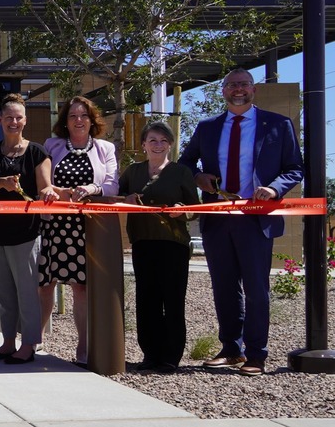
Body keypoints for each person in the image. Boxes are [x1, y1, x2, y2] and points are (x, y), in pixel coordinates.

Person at [179, 69, 303, 375]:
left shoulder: (277, 125)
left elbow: (294, 167)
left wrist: (274, 188)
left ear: (253, 90)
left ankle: (256, 354)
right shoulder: (208, 127)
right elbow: (185, 161)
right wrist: (198, 177)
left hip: (256, 217)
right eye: (232, 85)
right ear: (223, 91)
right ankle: (231, 349)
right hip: (218, 216)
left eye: (244, 84)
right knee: (223, 286)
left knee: (257, 288)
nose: (238, 89)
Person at [38, 96, 119, 366]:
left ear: (92, 119)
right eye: (73, 115)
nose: (79, 120)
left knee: (81, 288)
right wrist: (50, 188)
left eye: (83, 115)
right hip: (55, 224)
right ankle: (35, 342)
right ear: (65, 121)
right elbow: (44, 175)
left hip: (87, 228)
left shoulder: (105, 148)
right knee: (45, 285)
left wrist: (93, 189)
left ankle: (83, 347)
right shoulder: (53, 145)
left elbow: (111, 185)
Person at [117, 121, 199, 374]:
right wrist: (126, 200)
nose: (158, 145)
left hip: (173, 244)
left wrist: (182, 213)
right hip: (143, 241)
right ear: (143, 145)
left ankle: (171, 357)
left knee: (173, 300)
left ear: (171, 145)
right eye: (152, 140)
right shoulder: (132, 172)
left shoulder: (181, 172)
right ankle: (150, 354)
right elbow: (116, 198)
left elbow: (194, 209)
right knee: (147, 300)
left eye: (163, 140)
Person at [0, 94, 52, 365]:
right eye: (8, 117)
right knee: (3, 293)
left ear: (25, 120)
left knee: (26, 292)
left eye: (18, 117)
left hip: (26, 234)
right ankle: (8, 341)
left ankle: (29, 343)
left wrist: (49, 193)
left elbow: (45, 186)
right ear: (0, 120)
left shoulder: (37, 152)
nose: (13, 121)